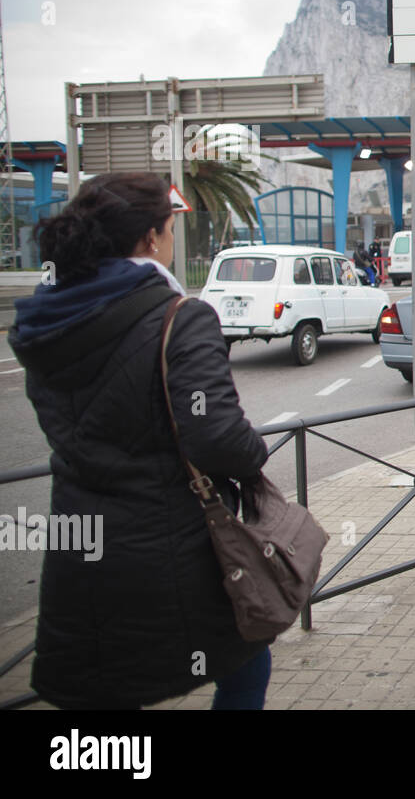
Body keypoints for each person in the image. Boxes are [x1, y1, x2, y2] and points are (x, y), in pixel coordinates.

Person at [8, 172, 272, 709]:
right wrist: (253, 453)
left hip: (79, 547)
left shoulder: (46, 319)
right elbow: (217, 432)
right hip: (172, 544)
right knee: (245, 660)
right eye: (171, 228)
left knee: (105, 688)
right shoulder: (179, 317)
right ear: (152, 239)